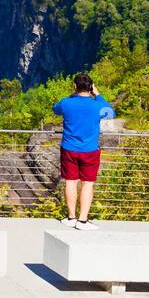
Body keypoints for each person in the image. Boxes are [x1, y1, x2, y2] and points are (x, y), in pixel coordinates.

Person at [52, 73, 115, 231]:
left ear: (75, 87)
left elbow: (55, 109)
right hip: (90, 150)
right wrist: (98, 95)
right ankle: (82, 220)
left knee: (70, 182)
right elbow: (110, 113)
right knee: (88, 184)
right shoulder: (97, 105)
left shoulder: (66, 103)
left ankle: (71, 217)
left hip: (69, 149)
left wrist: (72, 96)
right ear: (91, 87)